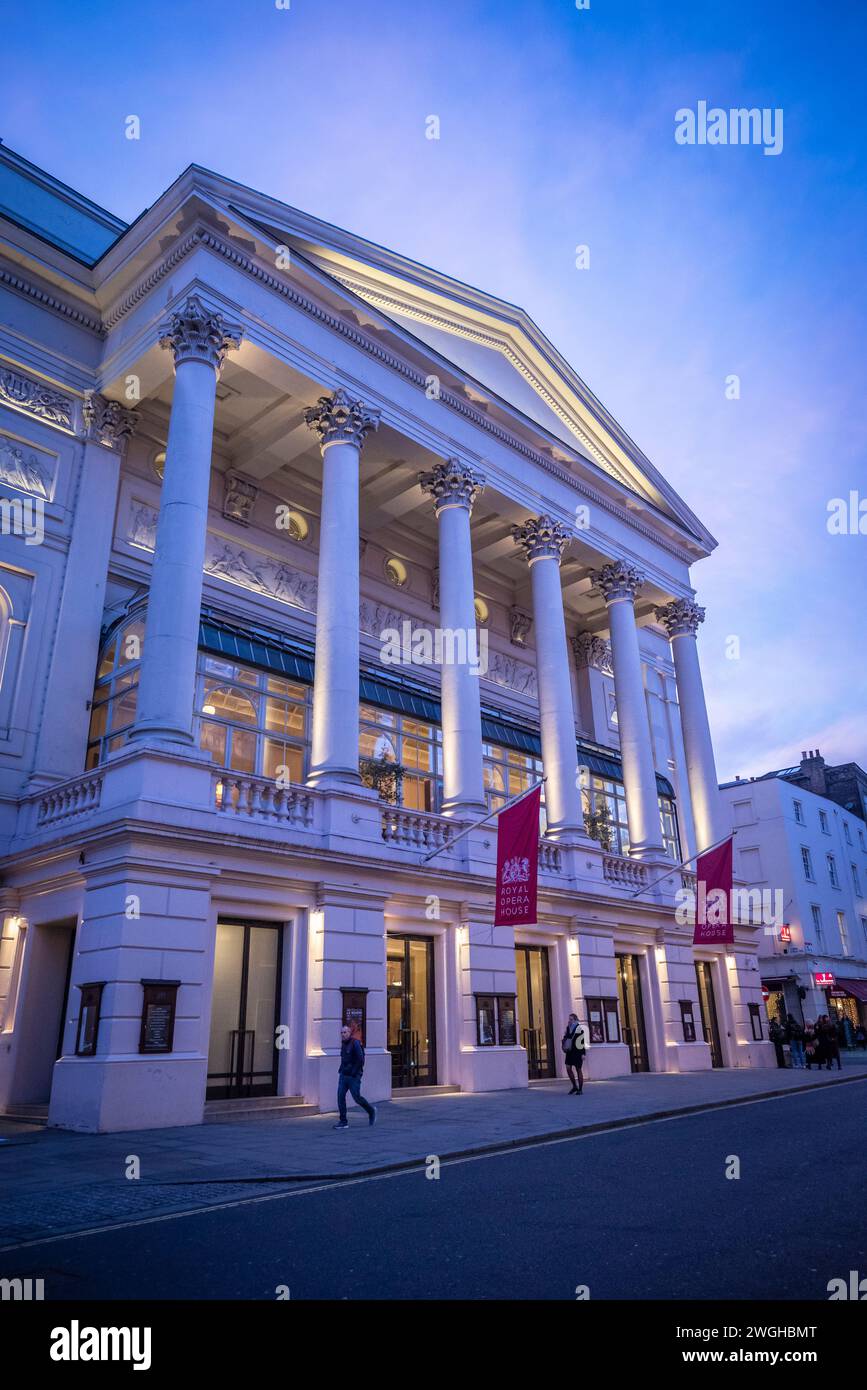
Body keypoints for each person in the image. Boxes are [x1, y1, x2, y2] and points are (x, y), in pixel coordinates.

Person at [333, 1024, 377, 1129]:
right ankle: (343, 1121)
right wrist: (342, 1071)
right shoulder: (343, 1044)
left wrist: (354, 1072)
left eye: (345, 1032)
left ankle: (371, 1111)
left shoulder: (355, 1043)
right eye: (342, 1032)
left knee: (357, 1097)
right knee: (340, 1096)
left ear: (349, 1033)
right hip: (344, 1075)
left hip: (353, 1076)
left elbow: (360, 1059)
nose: (343, 1034)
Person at [561, 1013, 587, 1094]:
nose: (570, 1021)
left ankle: (580, 1089)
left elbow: (583, 1041)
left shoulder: (580, 1028)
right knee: (568, 1068)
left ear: (575, 1020)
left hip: (578, 1051)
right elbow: (566, 1037)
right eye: (569, 1019)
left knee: (578, 1069)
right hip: (570, 1051)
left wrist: (583, 1053)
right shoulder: (568, 1028)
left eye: (571, 1019)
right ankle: (574, 1086)